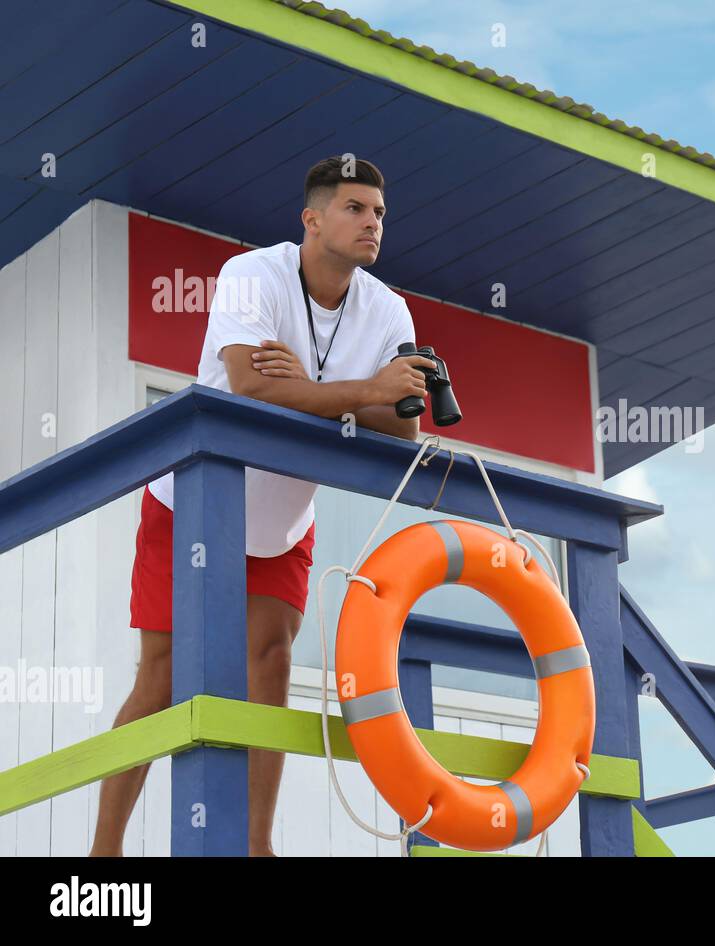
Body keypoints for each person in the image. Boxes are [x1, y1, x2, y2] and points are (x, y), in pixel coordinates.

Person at [90, 156, 437, 856]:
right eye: (355, 209)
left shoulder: (389, 308)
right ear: (312, 220)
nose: (372, 223)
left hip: (282, 525)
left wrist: (315, 386)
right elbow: (250, 387)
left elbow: (403, 428)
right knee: (159, 677)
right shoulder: (252, 274)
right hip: (189, 500)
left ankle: (256, 845)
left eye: (379, 213)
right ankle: (105, 852)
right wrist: (359, 389)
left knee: (271, 666)